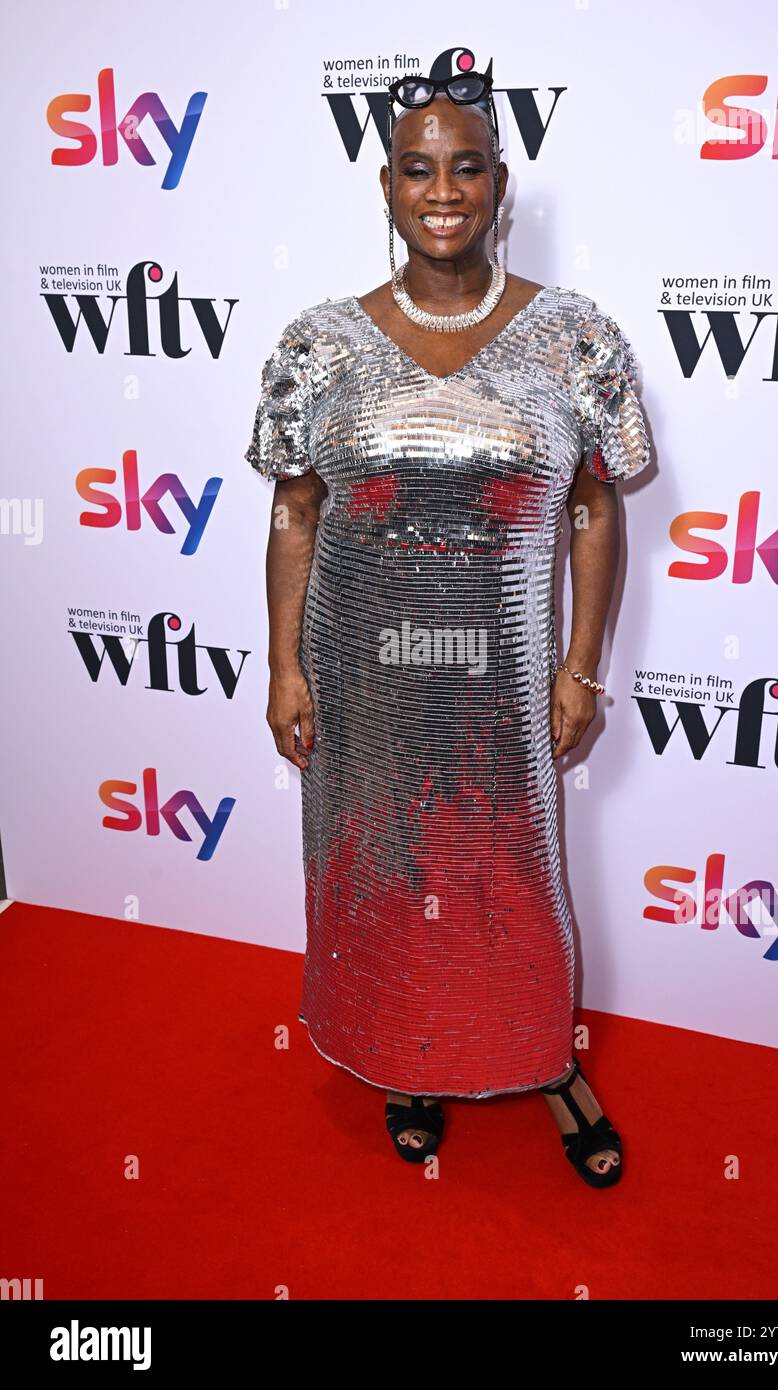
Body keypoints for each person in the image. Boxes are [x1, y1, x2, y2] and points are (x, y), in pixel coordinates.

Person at [244, 69, 651, 1187]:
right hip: (358, 668)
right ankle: (408, 1049)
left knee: (511, 876)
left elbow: (596, 505)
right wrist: (283, 664)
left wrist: (581, 666)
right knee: (380, 867)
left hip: (503, 677)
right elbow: (294, 513)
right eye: (417, 167)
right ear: (385, 185)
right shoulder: (319, 344)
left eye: (464, 165)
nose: (441, 189)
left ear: (498, 184)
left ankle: (544, 1062)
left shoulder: (574, 337)